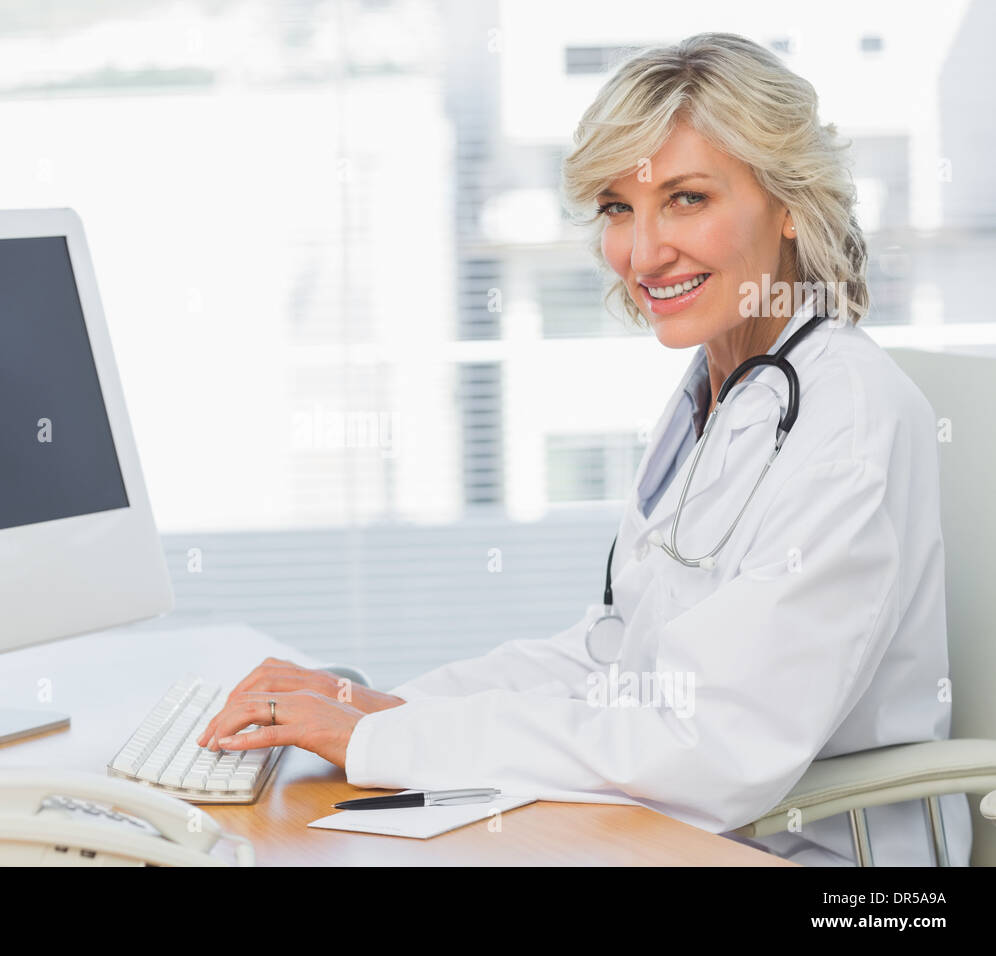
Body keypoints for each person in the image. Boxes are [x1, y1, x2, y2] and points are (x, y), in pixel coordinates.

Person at [194, 33, 971, 866]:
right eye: (617, 207)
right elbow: (611, 652)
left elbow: (712, 745)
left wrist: (388, 739)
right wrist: (381, 707)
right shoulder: (722, 391)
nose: (642, 254)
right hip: (678, 827)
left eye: (686, 199)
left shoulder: (845, 418)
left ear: (790, 202)